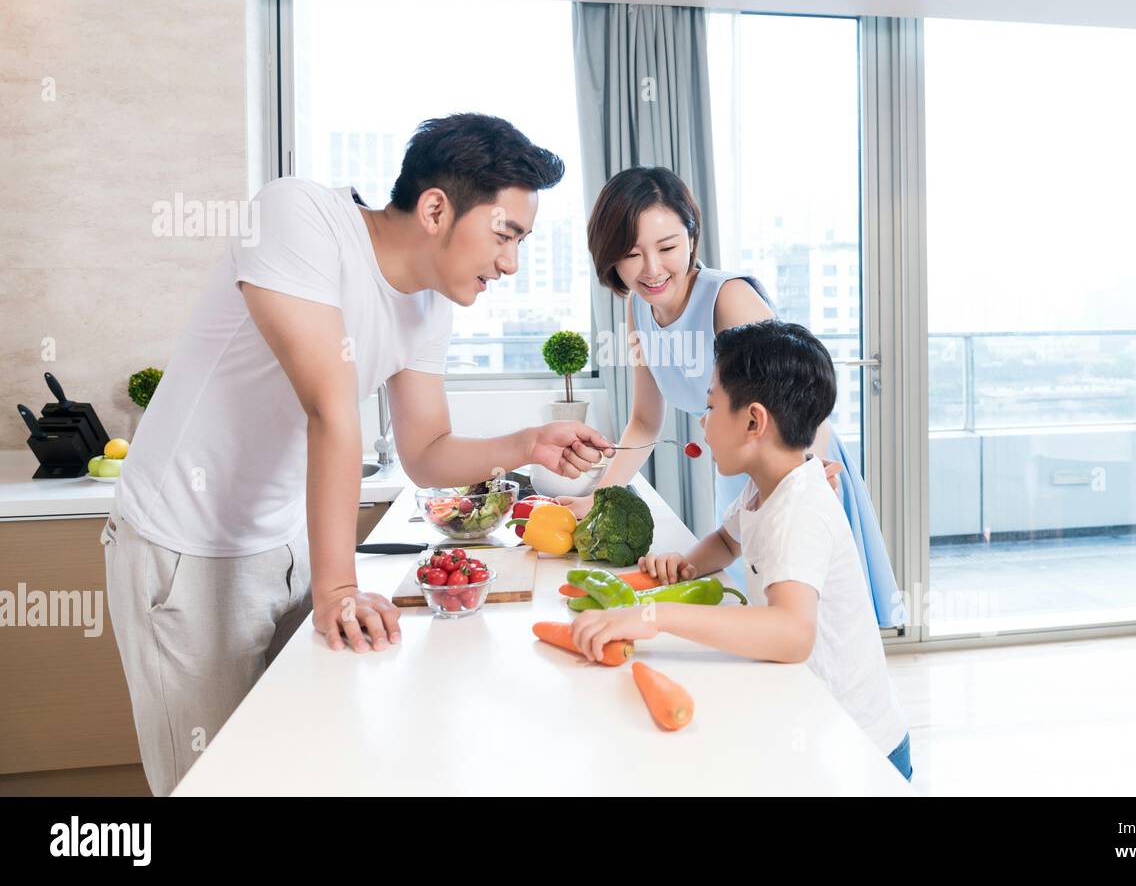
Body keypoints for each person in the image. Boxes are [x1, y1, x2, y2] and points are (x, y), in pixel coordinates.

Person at [105, 113, 611, 795]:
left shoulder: (430, 307)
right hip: (186, 547)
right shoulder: (299, 217)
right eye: (505, 234)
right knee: (212, 782)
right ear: (436, 208)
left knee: (306, 762)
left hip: (289, 540)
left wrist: (526, 444)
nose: (512, 262)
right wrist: (340, 589)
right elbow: (331, 411)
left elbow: (427, 450)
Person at [558, 166, 902, 628]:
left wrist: (800, 491)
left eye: (667, 247)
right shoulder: (636, 306)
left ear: (692, 237)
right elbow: (644, 421)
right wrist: (598, 502)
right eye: (632, 254)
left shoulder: (728, 299)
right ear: (610, 259)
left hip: (795, 464)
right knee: (748, 603)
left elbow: (799, 397)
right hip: (738, 465)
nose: (653, 269)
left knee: (810, 622)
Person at [570, 320, 912, 781]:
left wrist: (652, 617)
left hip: (858, 749)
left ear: (753, 421)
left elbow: (792, 633)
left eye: (710, 406)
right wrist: (688, 563)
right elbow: (730, 540)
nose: (702, 420)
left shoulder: (799, 511)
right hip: (815, 718)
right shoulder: (767, 485)